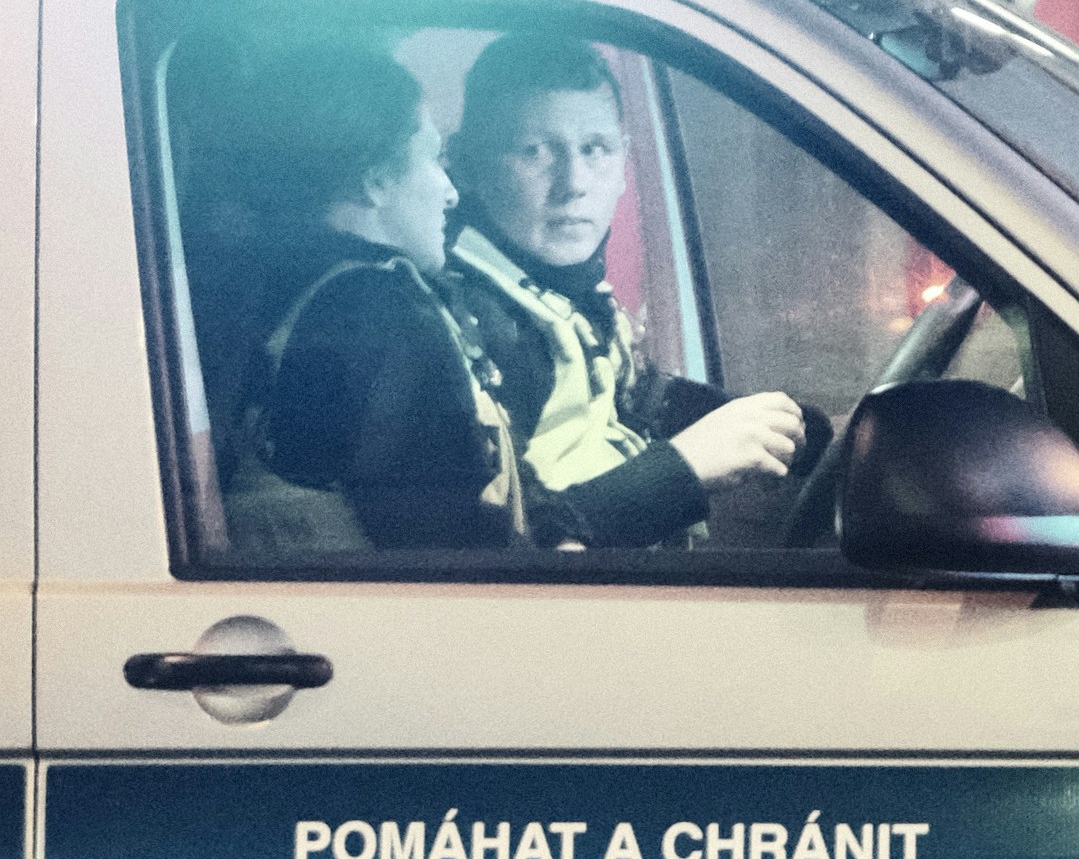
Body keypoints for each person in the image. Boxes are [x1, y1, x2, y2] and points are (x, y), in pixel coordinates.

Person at [443, 28, 804, 546]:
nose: (573, 183)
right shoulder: (468, 328)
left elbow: (631, 393)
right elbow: (502, 555)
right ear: (468, 166)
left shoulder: (559, 293)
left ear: (625, 161)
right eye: (535, 151)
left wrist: (786, 428)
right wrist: (682, 468)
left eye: (596, 149)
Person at [222, 36, 526, 558]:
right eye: (432, 159)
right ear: (376, 182)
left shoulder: (260, 286)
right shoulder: (382, 313)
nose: (450, 190)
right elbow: (449, 547)